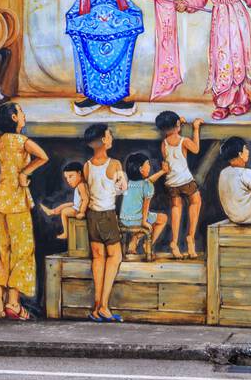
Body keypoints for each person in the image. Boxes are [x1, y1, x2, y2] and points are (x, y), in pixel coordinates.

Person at [0, 102, 48, 320]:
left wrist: (1, 121)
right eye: (20, 112)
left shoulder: (0, 140)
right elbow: (43, 157)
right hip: (17, 201)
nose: (24, 115)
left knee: (4, 252)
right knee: (23, 251)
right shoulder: (23, 141)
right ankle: (14, 304)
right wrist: (26, 172)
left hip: (1, 201)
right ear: (15, 118)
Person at [83, 123, 128, 322]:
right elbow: (123, 189)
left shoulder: (87, 165)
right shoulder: (115, 164)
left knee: (98, 259)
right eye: (109, 135)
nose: (111, 138)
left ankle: (96, 307)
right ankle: (104, 306)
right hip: (107, 215)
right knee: (115, 257)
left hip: (91, 216)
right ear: (103, 140)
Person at [157, 112, 204, 257]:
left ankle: (174, 242)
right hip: (185, 181)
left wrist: (179, 125)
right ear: (177, 125)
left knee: (176, 208)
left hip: (171, 182)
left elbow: (169, 158)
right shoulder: (183, 141)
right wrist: (195, 128)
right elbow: (196, 149)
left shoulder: (163, 144)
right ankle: (190, 238)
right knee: (196, 202)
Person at [120, 152, 168, 258]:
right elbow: (146, 207)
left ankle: (134, 241)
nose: (150, 166)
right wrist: (144, 222)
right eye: (148, 164)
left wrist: (163, 171)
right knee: (163, 218)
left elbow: (150, 179)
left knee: (152, 219)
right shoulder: (147, 185)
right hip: (138, 219)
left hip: (124, 219)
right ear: (141, 169)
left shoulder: (128, 182)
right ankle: (147, 244)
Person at [40, 162, 88, 238]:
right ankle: (51, 212)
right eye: (66, 178)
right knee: (66, 204)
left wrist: (82, 212)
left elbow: (85, 199)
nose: (68, 180)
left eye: (70, 176)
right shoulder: (80, 185)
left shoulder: (81, 185)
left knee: (64, 212)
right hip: (77, 206)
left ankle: (66, 233)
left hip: (78, 210)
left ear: (79, 173)